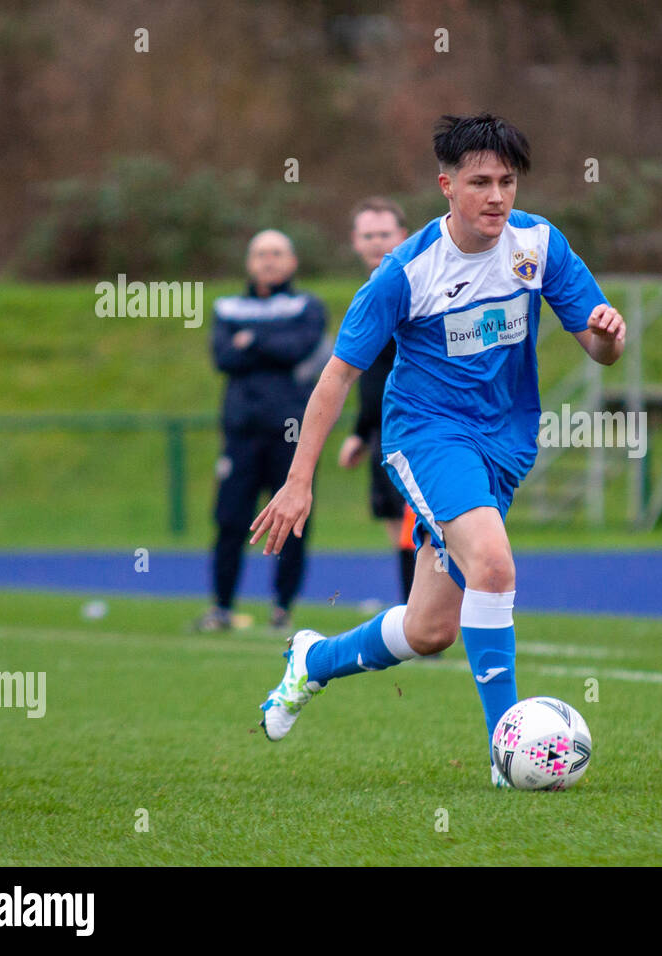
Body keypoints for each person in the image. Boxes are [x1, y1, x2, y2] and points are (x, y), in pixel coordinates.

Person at [249, 114, 625, 788]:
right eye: (480, 182)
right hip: (427, 436)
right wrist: (298, 479)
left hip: (505, 444)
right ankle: (507, 752)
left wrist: (607, 335)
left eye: (507, 181)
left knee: (430, 631)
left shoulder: (539, 245)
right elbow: (337, 375)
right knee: (494, 564)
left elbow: (598, 347)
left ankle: (312, 660)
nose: (497, 196)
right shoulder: (406, 272)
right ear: (446, 185)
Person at [195, 230, 326, 633]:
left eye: (277, 253)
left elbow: (299, 348)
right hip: (241, 433)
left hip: (290, 435)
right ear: (249, 262)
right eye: (260, 254)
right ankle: (221, 608)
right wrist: (267, 344)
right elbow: (223, 356)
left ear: (292, 262)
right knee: (230, 519)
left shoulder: (307, 305)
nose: (268, 261)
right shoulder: (227, 306)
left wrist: (251, 341)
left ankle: (282, 609)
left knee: (291, 521)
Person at [336, 197, 417, 604]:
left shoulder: (413, 283)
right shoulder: (368, 290)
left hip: (414, 426)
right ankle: (415, 618)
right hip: (382, 429)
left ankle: (422, 623)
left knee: (418, 528)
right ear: (355, 241)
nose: (376, 242)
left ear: (402, 236)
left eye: (384, 234)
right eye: (368, 235)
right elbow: (369, 376)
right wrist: (361, 431)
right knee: (398, 527)